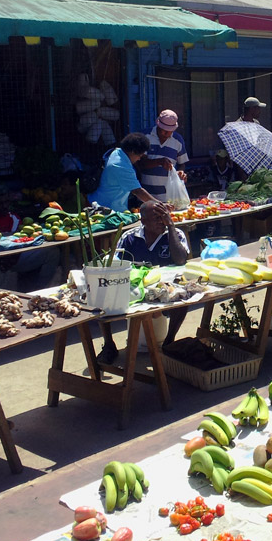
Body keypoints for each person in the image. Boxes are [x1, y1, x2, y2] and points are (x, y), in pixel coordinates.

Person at [96, 201, 190, 364]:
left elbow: (181, 259)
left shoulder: (175, 234)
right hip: (135, 287)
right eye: (156, 218)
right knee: (102, 294)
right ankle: (109, 345)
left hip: (165, 287)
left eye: (163, 217)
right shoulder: (129, 238)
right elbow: (114, 264)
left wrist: (171, 226)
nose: (161, 221)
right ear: (143, 220)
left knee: (184, 294)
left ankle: (169, 342)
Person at [0, 186, 59, 291]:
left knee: (52, 252)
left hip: (16, 258)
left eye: (6, 202)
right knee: (0, 267)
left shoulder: (15, 218)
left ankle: (40, 290)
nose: (4, 206)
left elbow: (20, 242)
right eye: (0, 203)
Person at [91, 133, 166, 212]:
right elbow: (138, 191)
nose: (139, 159)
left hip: (109, 204)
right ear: (133, 151)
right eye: (140, 156)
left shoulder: (117, 153)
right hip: (105, 209)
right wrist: (160, 205)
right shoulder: (120, 165)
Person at [139, 109, 188, 202]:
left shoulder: (178, 140)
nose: (165, 133)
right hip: (146, 196)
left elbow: (182, 163)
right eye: (163, 130)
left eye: (169, 131)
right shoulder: (145, 136)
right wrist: (159, 162)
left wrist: (181, 172)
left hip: (169, 197)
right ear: (158, 125)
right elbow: (140, 164)